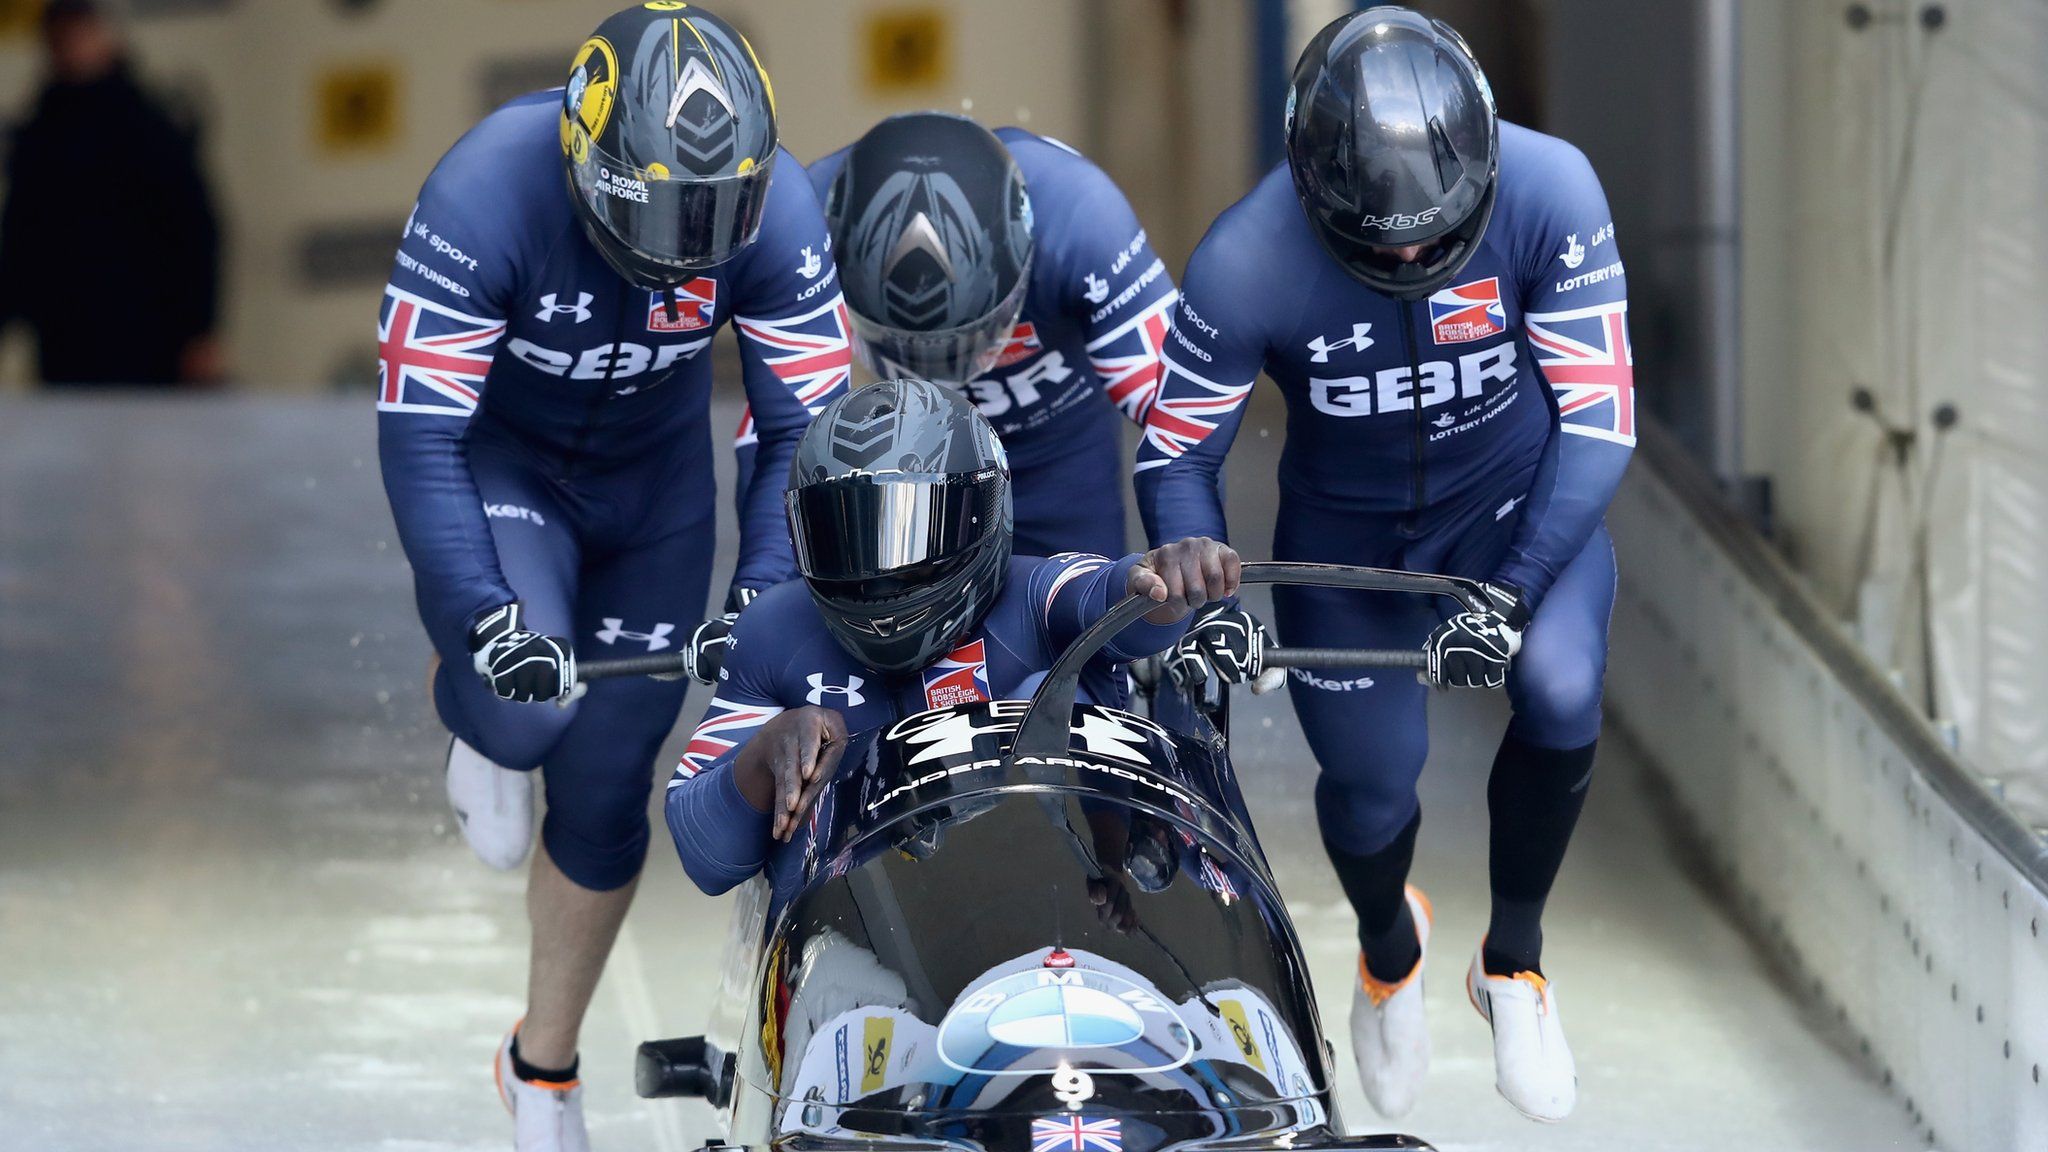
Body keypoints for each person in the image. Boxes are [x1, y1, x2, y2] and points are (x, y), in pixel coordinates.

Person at [1136, 7, 1633, 1124]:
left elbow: (1598, 422)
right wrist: (1197, 594)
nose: (1408, 255)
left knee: (1556, 690)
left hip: (1513, 522)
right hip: (1344, 549)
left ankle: (1511, 967)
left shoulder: (1553, 192)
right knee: (1370, 793)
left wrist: (1510, 591)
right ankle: (1386, 948)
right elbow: (1175, 460)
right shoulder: (1241, 259)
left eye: (1432, 235)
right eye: (1381, 240)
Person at [374, 6, 852, 1148]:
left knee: (603, 786)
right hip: (508, 468)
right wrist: (479, 620)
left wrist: (766, 591)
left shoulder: (776, 211)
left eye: (713, 217)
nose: (690, 243)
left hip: (653, 497)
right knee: (528, 706)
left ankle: (540, 1069)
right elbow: (420, 437)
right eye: (665, 212)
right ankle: (476, 716)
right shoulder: (482, 191)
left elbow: (803, 430)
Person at [664, 378, 1237, 892]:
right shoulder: (772, 631)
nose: (878, 576)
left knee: (1045, 688)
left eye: (907, 535)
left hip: (1059, 905)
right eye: (849, 537)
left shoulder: (1036, 595)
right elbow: (707, 857)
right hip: (868, 946)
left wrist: (1168, 582)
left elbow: (1111, 597)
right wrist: (766, 753)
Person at [781, 112, 1174, 559]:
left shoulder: (1082, 218)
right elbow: (778, 428)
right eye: (907, 349)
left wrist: (1200, 589)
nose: (946, 374)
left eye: (965, 343)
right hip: (906, 459)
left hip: (1057, 455)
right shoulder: (804, 220)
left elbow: (1178, 412)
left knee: (1081, 613)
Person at [0, 0, 221, 386]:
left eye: (80, 33)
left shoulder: (148, 126)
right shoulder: (40, 135)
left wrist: (200, 330)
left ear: (105, 37)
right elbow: (23, 239)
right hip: (65, 344)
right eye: (61, 37)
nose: (71, 47)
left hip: (149, 340)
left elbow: (195, 230)